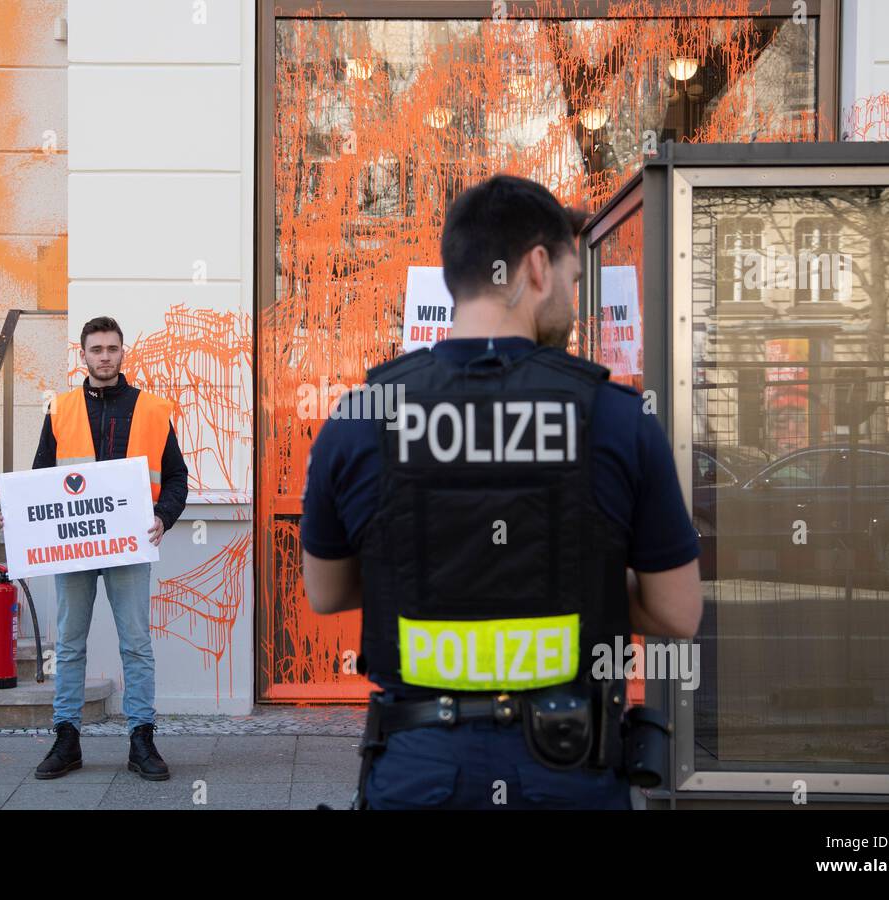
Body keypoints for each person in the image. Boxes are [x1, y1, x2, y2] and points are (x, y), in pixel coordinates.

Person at [299, 174, 703, 809]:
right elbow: (677, 612)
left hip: (417, 768)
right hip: (568, 767)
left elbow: (326, 592)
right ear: (536, 268)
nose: (573, 300)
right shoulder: (618, 417)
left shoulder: (360, 416)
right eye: (572, 281)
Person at [11, 315, 189, 781]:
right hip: (73, 548)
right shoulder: (61, 409)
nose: (105, 356)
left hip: (130, 543)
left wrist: (162, 517)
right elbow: (39, 478)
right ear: (83, 355)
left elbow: (175, 477)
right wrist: (18, 514)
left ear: (122, 353)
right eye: (97, 349)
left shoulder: (152, 410)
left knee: (137, 645)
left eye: (112, 348)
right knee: (69, 644)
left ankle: (141, 738)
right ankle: (66, 738)